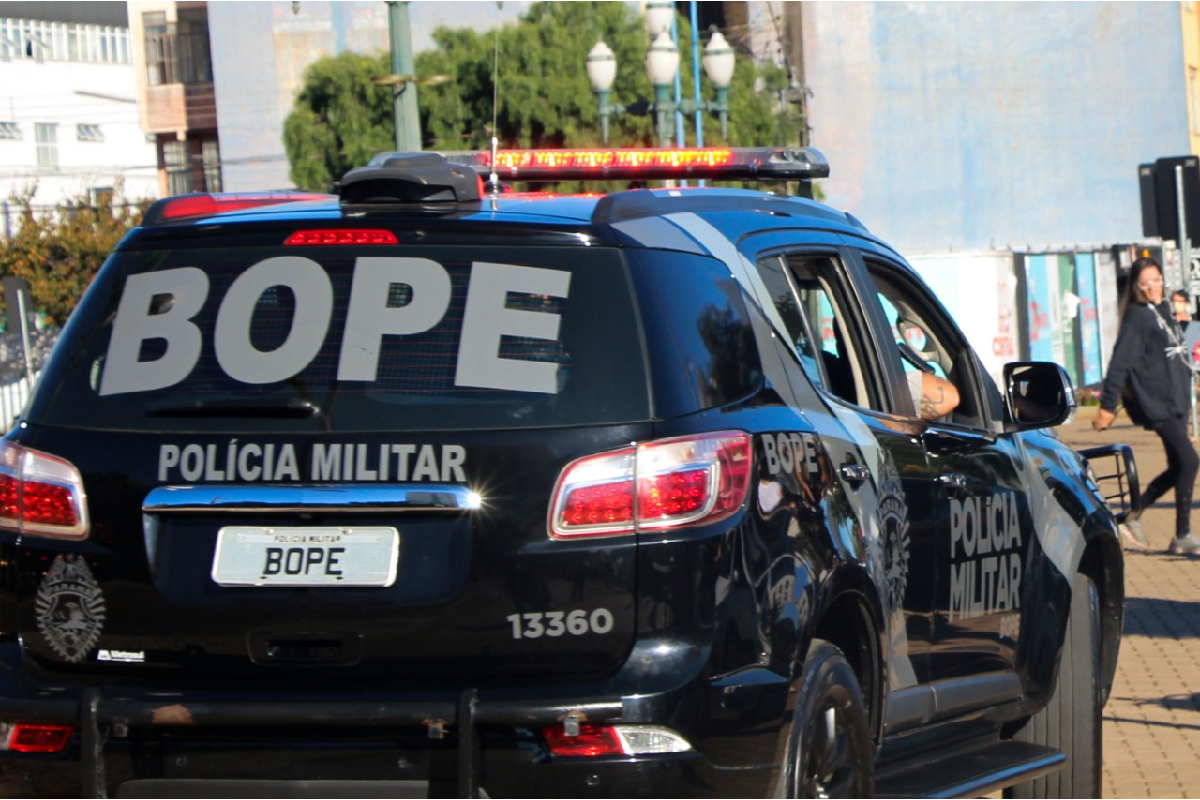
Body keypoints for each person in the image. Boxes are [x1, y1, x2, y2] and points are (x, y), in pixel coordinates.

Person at [1094, 256, 1200, 554]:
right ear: (1136, 287)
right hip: (1157, 403)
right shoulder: (1138, 316)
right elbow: (1119, 364)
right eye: (1145, 283)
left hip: (1176, 401)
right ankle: (1154, 522)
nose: (1151, 286)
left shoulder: (1163, 309)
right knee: (1190, 461)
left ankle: (1172, 532)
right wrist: (1107, 405)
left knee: (1181, 464)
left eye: (1155, 280)